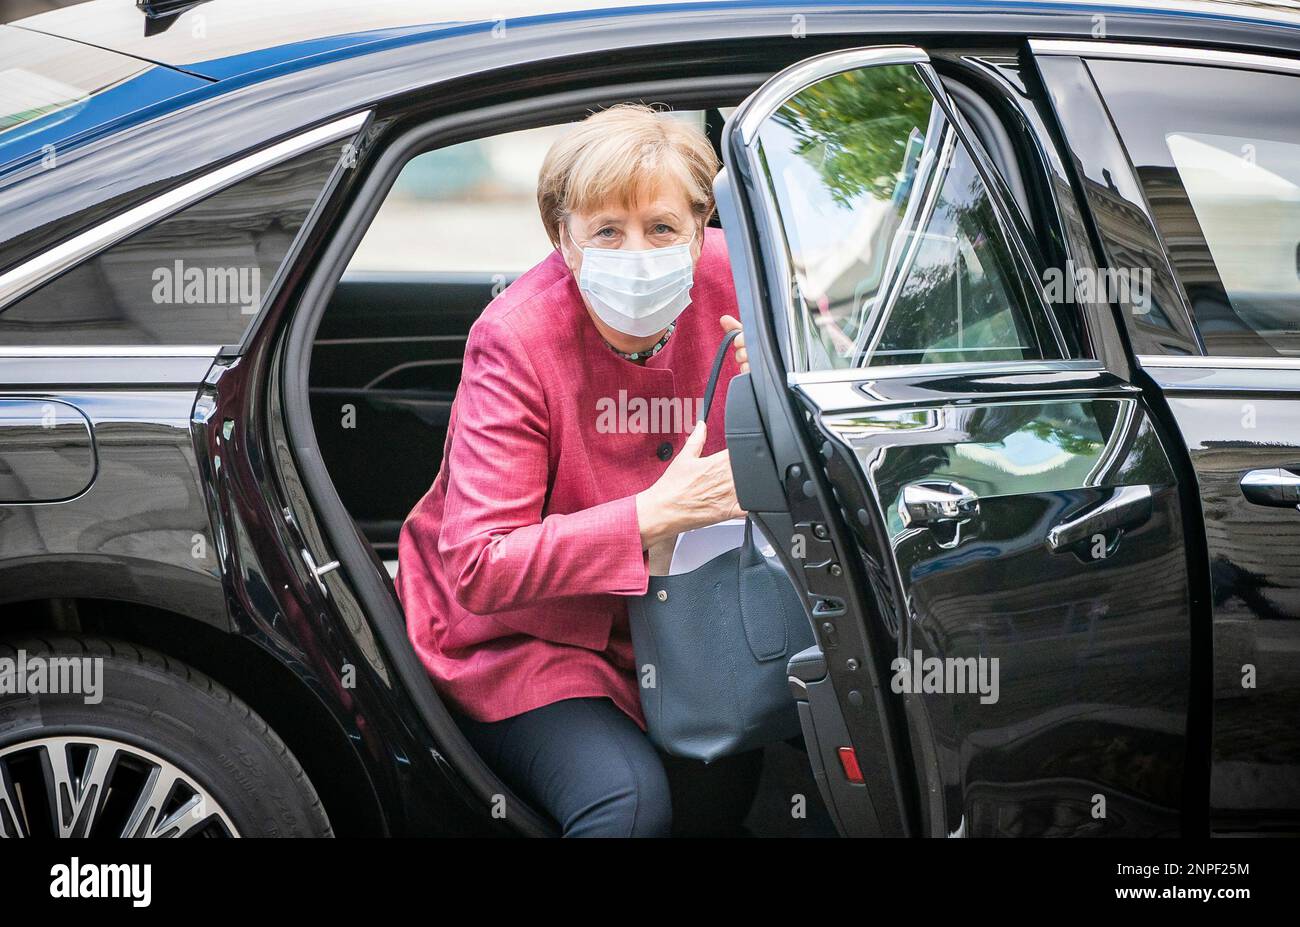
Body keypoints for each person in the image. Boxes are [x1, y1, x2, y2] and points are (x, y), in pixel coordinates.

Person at [397, 103, 753, 836]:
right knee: (626, 801)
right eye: (606, 232)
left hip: (692, 625)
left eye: (661, 228)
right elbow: (479, 563)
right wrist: (652, 514)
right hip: (524, 639)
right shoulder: (517, 337)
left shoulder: (746, 285)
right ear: (564, 239)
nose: (637, 253)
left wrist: (775, 393)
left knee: (744, 772)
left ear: (700, 228)